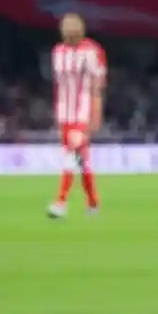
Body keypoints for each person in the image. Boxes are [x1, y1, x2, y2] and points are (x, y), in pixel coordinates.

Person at [47, 12, 105, 218]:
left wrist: (95, 118)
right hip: (65, 114)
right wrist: (57, 114)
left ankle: (60, 203)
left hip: (83, 113)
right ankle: (93, 202)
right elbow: (59, 86)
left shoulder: (92, 51)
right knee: (83, 161)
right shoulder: (57, 52)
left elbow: (97, 87)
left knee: (70, 157)